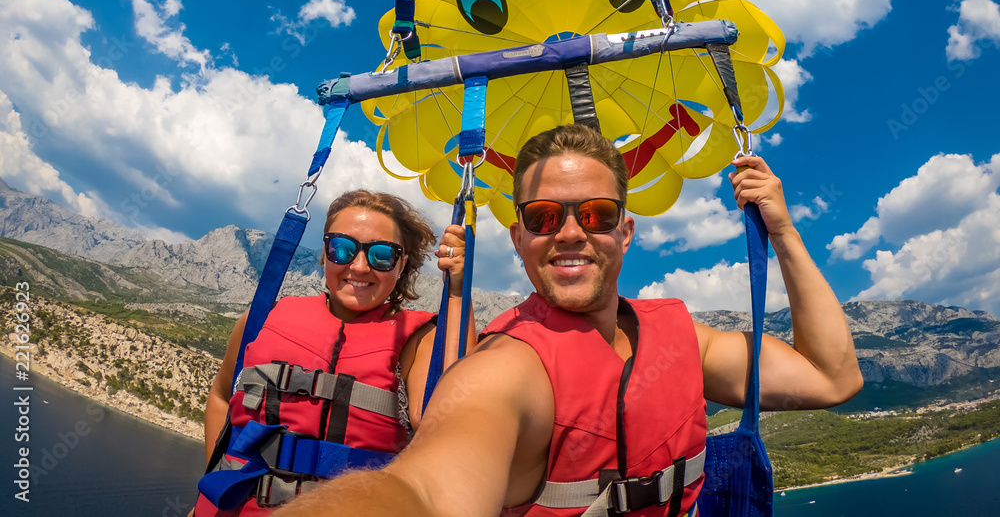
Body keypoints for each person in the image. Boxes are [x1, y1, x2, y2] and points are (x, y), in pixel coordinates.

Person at [274, 125, 863, 517]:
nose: (572, 233)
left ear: (625, 232)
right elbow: (424, 492)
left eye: (597, 214)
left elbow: (830, 377)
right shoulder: (504, 370)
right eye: (544, 216)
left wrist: (782, 231)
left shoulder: (683, 338)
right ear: (519, 238)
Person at [192, 189, 471, 515]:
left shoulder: (418, 340)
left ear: (401, 264)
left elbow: (445, 420)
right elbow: (221, 396)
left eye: (382, 255)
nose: (360, 266)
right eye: (342, 249)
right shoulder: (263, 318)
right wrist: (217, 480)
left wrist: (457, 292)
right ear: (325, 254)